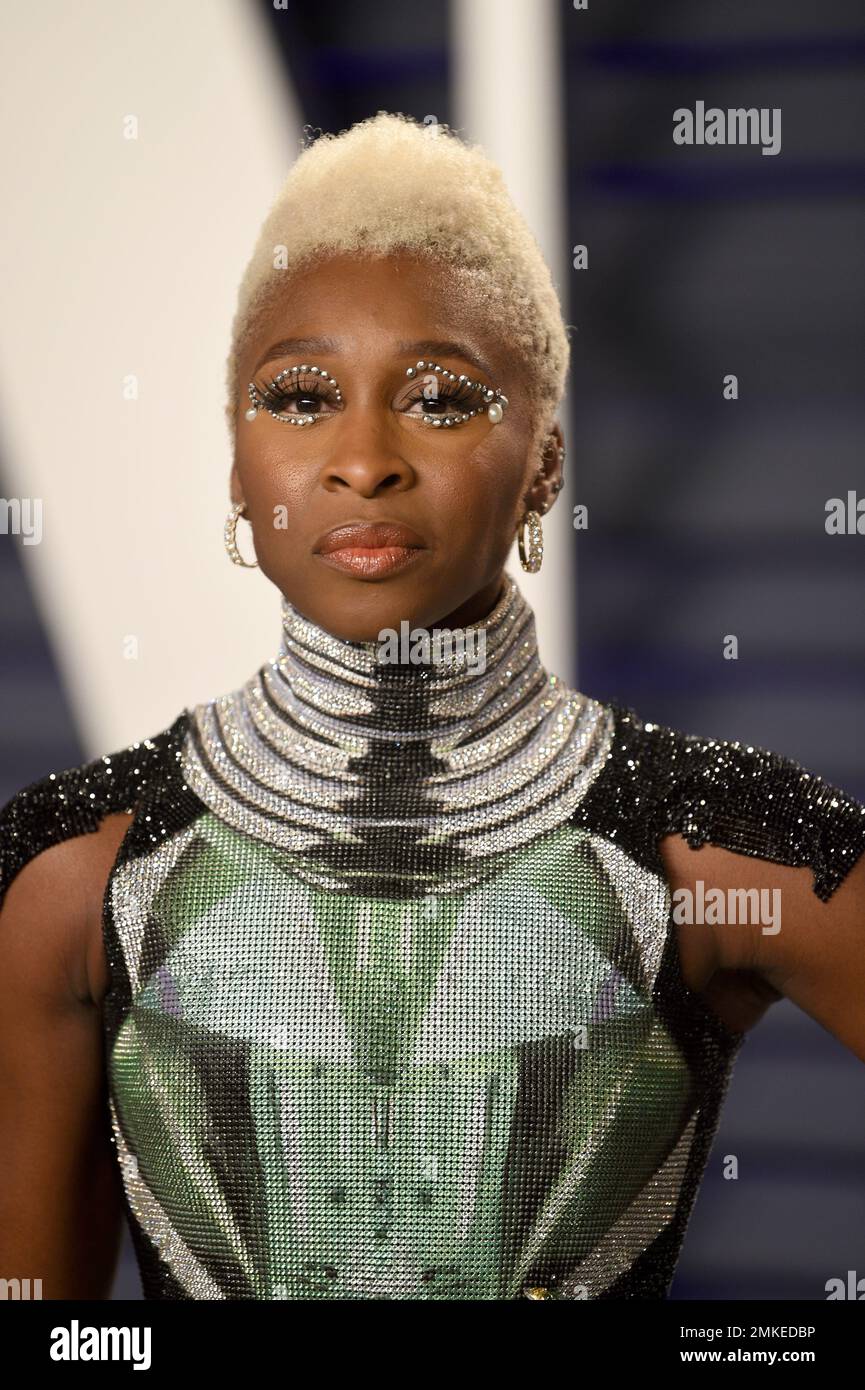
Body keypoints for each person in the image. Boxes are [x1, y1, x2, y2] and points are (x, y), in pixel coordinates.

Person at [1, 112, 863, 1303]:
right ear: (236, 470)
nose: (362, 458)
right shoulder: (67, 880)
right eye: (300, 397)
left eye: (442, 398)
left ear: (546, 465)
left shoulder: (712, 847)